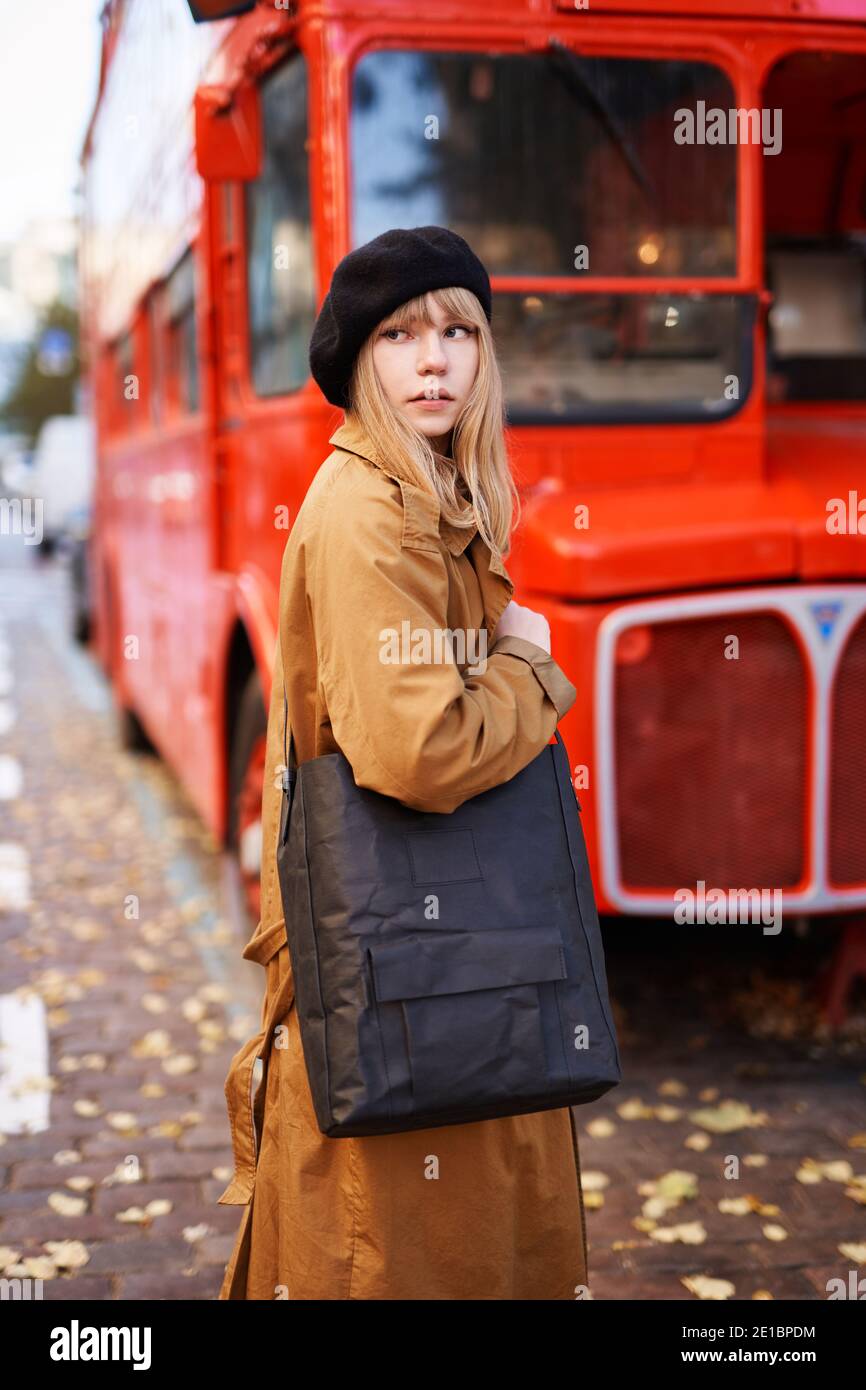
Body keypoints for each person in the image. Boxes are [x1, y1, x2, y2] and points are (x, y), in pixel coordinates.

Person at [217, 226, 589, 1300]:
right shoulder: (371, 517)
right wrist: (529, 671)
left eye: (458, 330)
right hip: (408, 978)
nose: (434, 358)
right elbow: (417, 752)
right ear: (358, 361)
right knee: (392, 1253)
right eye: (400, 335)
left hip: (441, 970)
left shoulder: (425, 493)